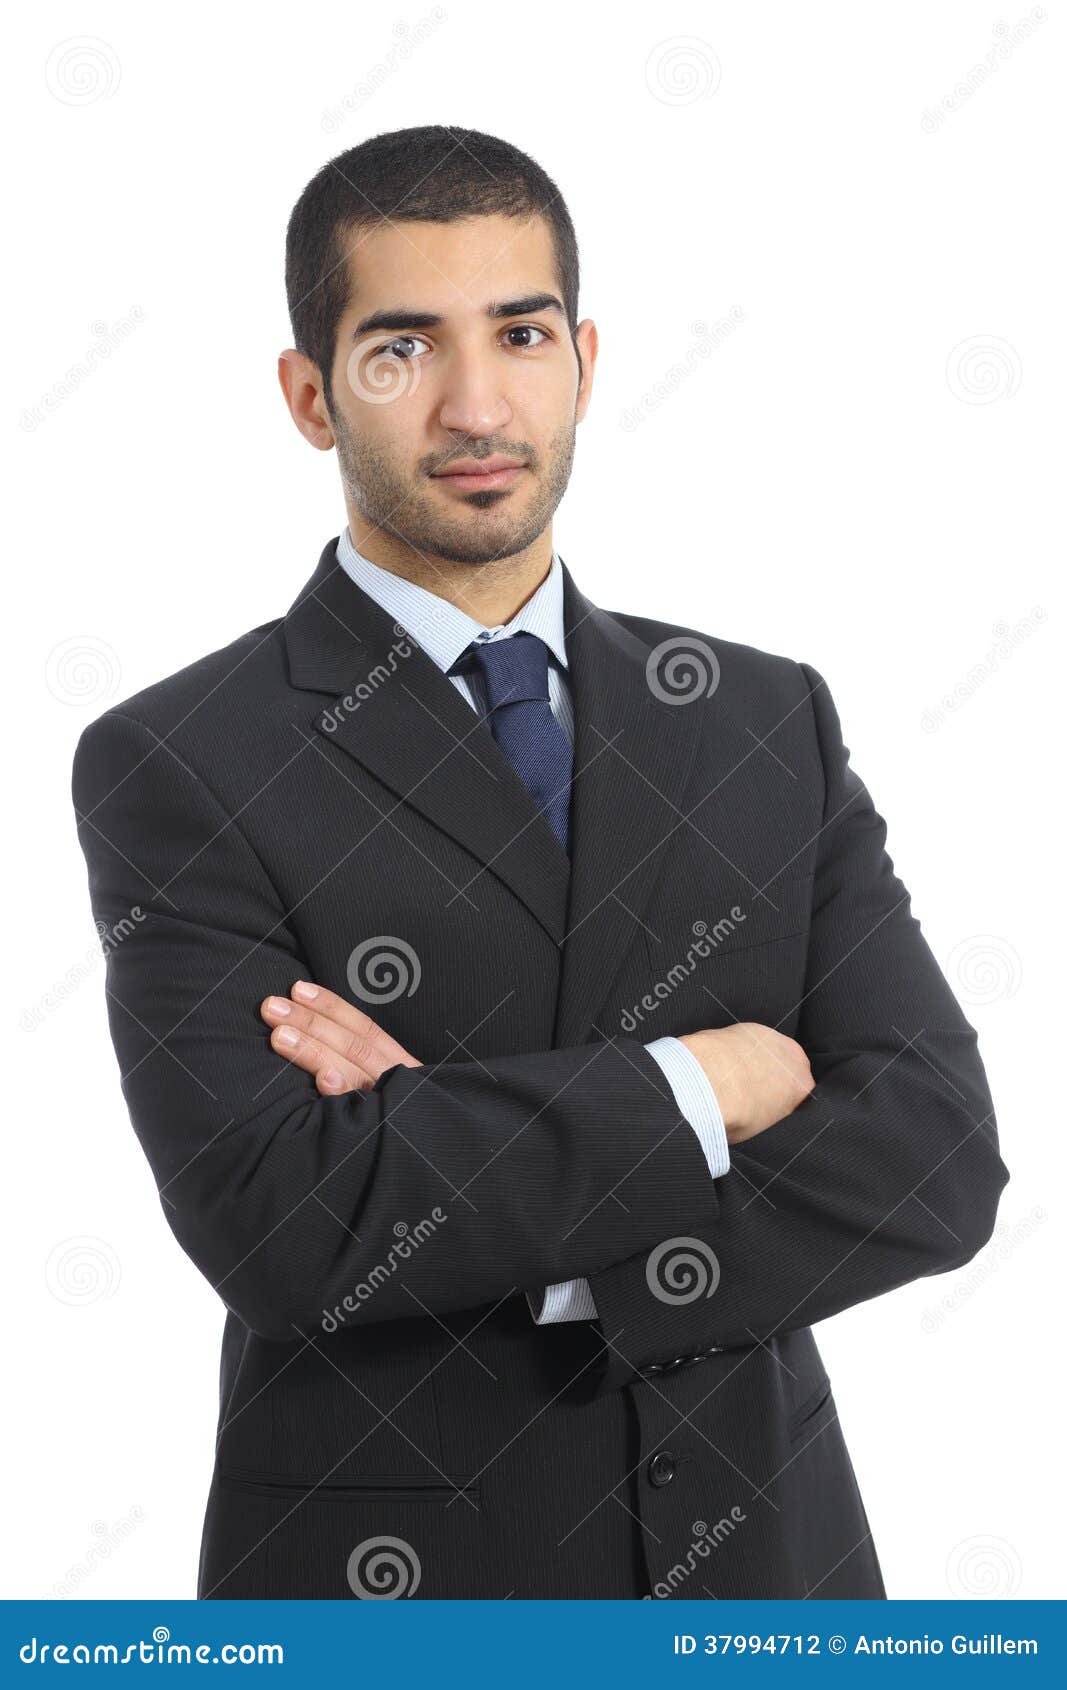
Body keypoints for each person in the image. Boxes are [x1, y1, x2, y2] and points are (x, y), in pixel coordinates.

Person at [72, 125, 1008, 1600]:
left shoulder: (763, 720)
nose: (475, 400)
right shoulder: (183, 755)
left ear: (583, 357)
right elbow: (288, 1221)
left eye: (518, 333)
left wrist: (446, 1140)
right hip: (394, 1587)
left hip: (764, 1569)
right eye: (402, 346)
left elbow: (941, 1156)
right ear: (311, 397)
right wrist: (708, 1085)